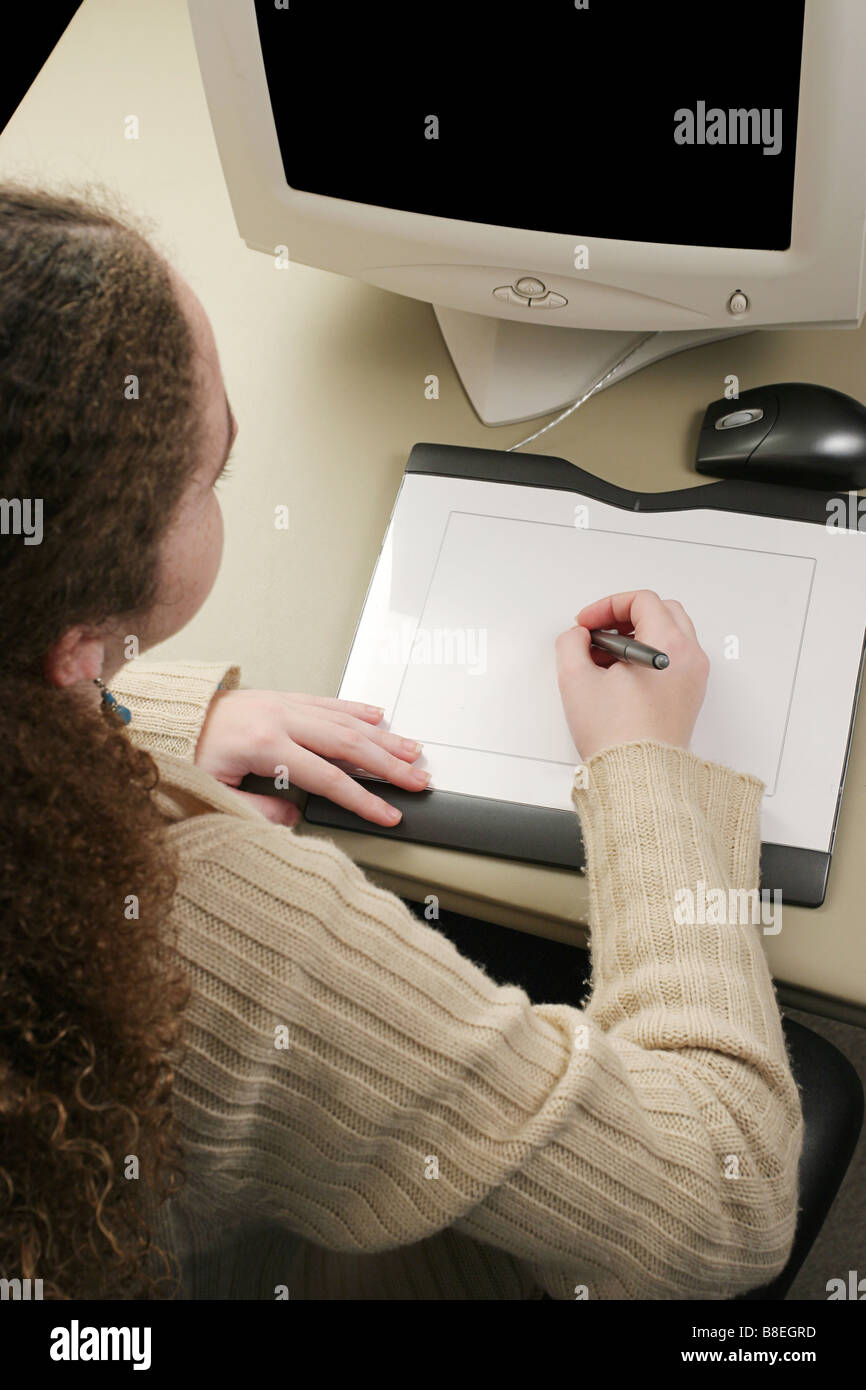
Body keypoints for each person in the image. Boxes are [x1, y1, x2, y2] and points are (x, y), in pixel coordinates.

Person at [0, 182, 803, 1301]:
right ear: (74, 640)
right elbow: (723, 1202)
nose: (232, 452)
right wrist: (648, 774)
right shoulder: (207, 930)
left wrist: (140, 728)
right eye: (211, 473)